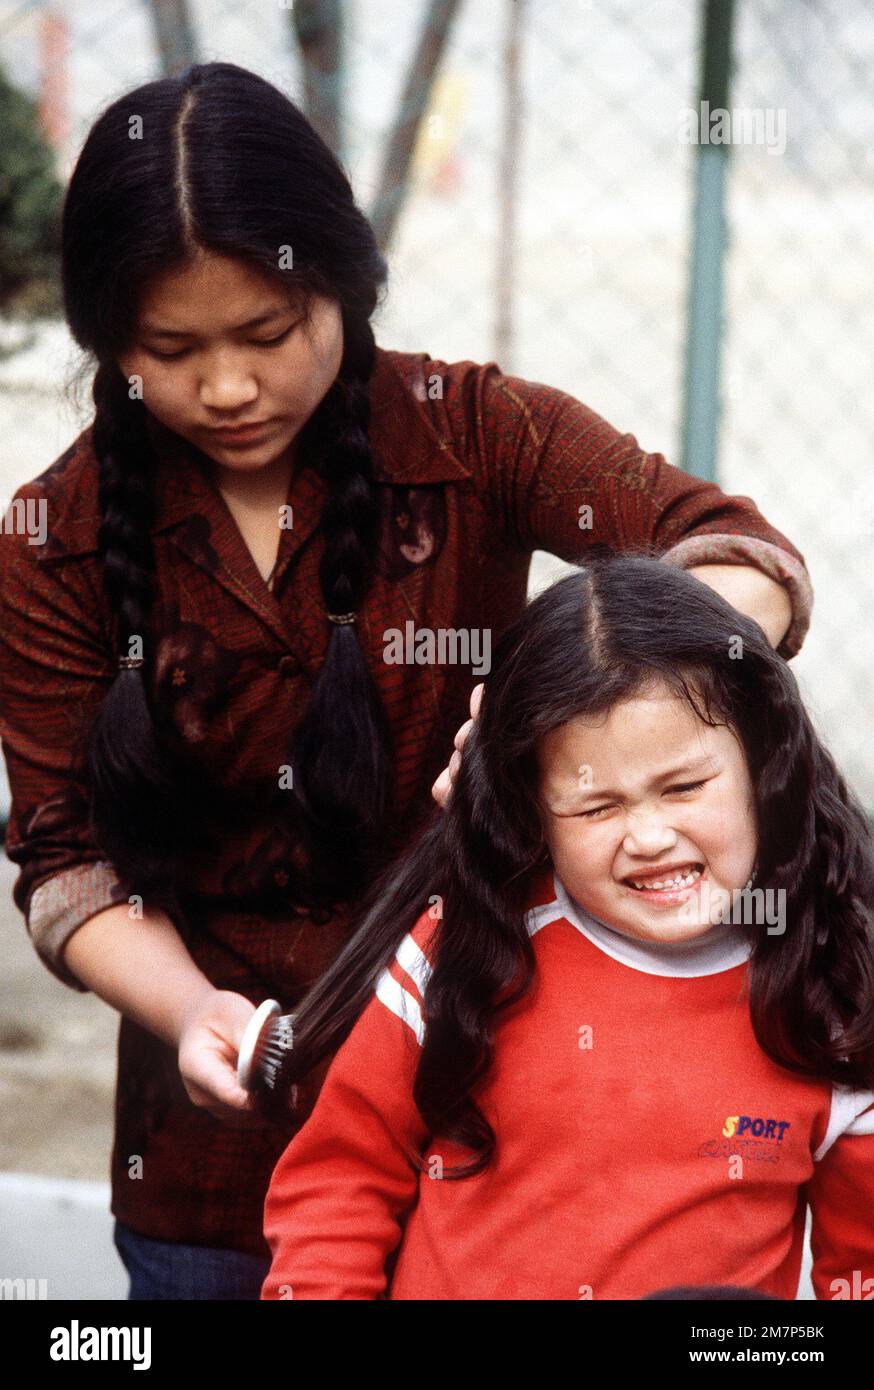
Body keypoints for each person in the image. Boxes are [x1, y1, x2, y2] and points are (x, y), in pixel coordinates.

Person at [0, 61, 812, 1301]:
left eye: (268, 334)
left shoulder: (476, 431)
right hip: (207, 1159)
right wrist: (190, 1009)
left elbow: (741, 554)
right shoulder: (50, 538)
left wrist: (570, 687)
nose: (227, 386)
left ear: (342, 285)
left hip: (490, 1124)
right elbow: (65, 864)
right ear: (111, 345)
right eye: (171, 349)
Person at [261, 555, 874, 1301]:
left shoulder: (836, 992)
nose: (649, 836)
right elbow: (341, 1178)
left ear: (767, 765)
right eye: (597, 806)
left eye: (683, 787)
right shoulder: (468, 946)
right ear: (530, 811)